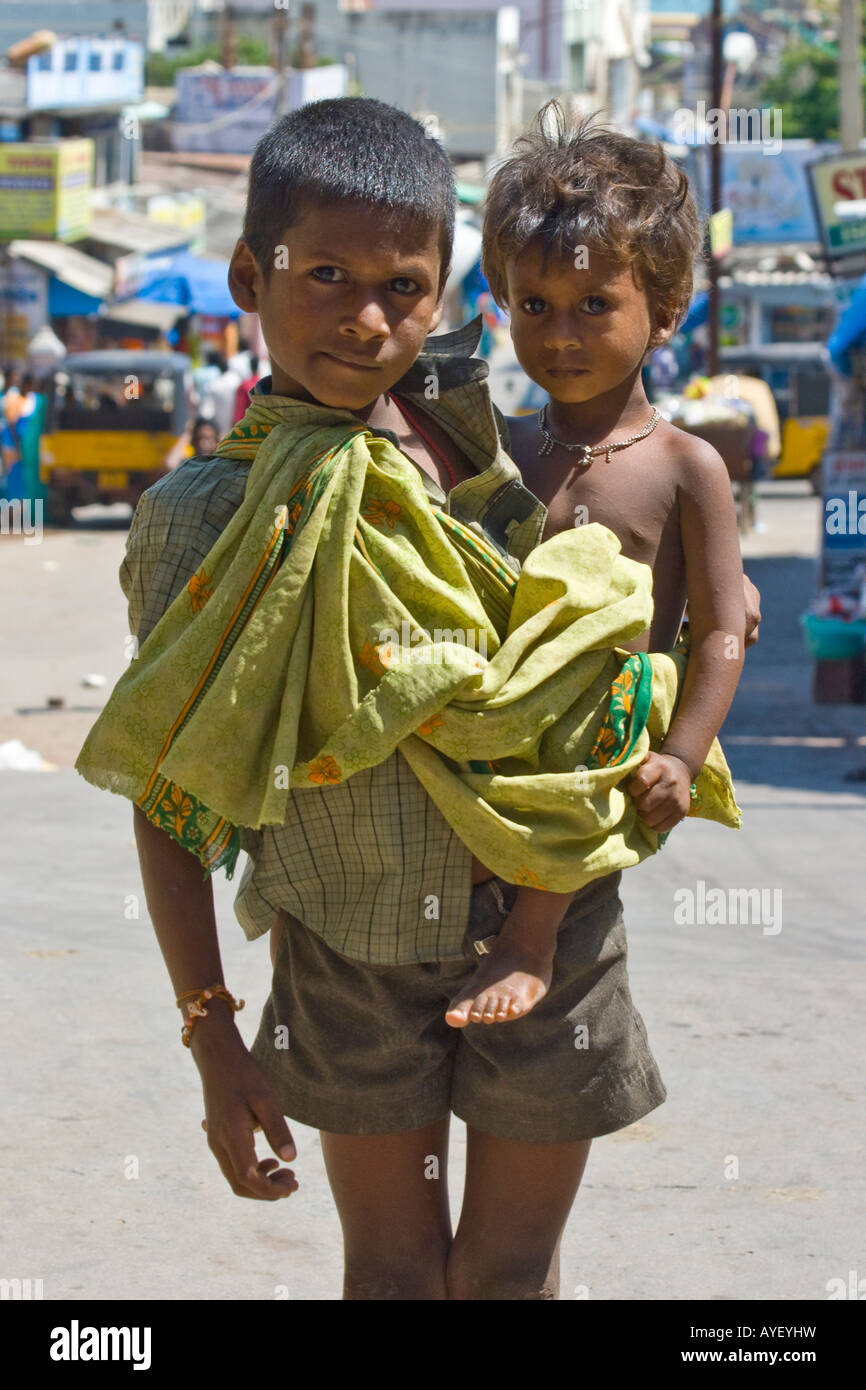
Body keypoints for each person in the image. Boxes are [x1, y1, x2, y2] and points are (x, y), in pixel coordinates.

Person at [75, 97, 751, 1302]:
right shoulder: (203, 520)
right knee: (387, 1272)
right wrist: (211, 1034)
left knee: (508, 1273)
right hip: (348, 949)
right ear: (249, 272)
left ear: (442, 296)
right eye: (323, 273)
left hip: (551, 930)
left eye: (403, 282)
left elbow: (620, 649)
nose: (367, 315)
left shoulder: (490, 458)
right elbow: (175, 793)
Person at [477, 102, 748, 1012]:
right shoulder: (497, 446)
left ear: (664, 309)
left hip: (607, 740)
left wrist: (682, 751)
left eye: (597, 305)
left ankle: (532, 941)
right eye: (535, 305)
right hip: (497, 732)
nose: (561, 334)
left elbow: (717, 633)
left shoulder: (685, 468)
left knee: (612, 711)